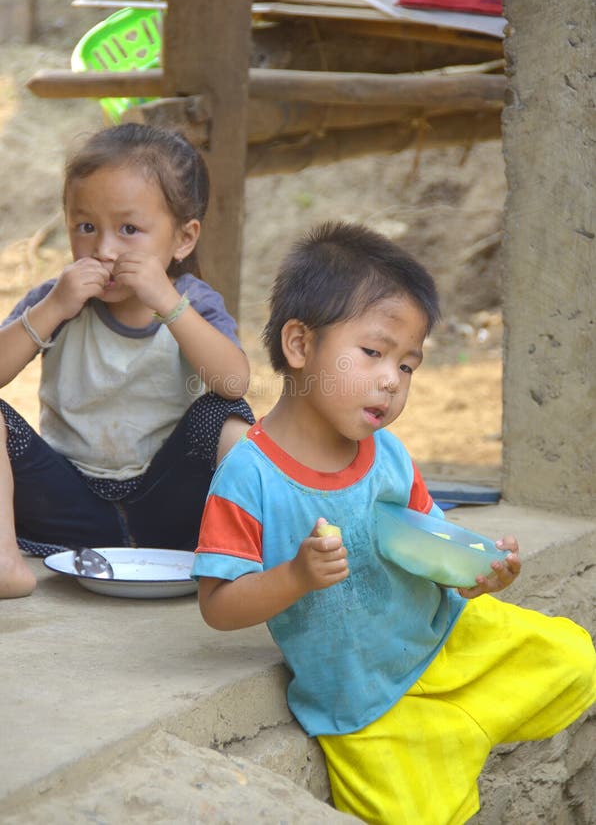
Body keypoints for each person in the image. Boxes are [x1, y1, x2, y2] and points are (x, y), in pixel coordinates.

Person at [192, 222, 596, 824]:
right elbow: (218, 606)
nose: (392, 380)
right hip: (361, 697)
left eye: (408, 366)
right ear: (299, 345)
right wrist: (295, 577)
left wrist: (477, 570)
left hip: (444, 639)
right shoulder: (249, 477)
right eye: (374, 353)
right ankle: (446, 732)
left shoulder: (388, 455)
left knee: (574, 659)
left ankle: (460, 724)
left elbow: (431, 546)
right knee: (417, 814)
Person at [0, 123, 253, 600]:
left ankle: (241, 558)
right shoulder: (60, 300)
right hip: (67, 502)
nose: (104, 249)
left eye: (129, 230)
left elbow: (234, 382)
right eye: (86, 227)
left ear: (183, 239)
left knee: (227, 416)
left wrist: (169, 304)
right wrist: (54, 307)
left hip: (169, 504)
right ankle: (4, 561)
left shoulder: (193, 303)